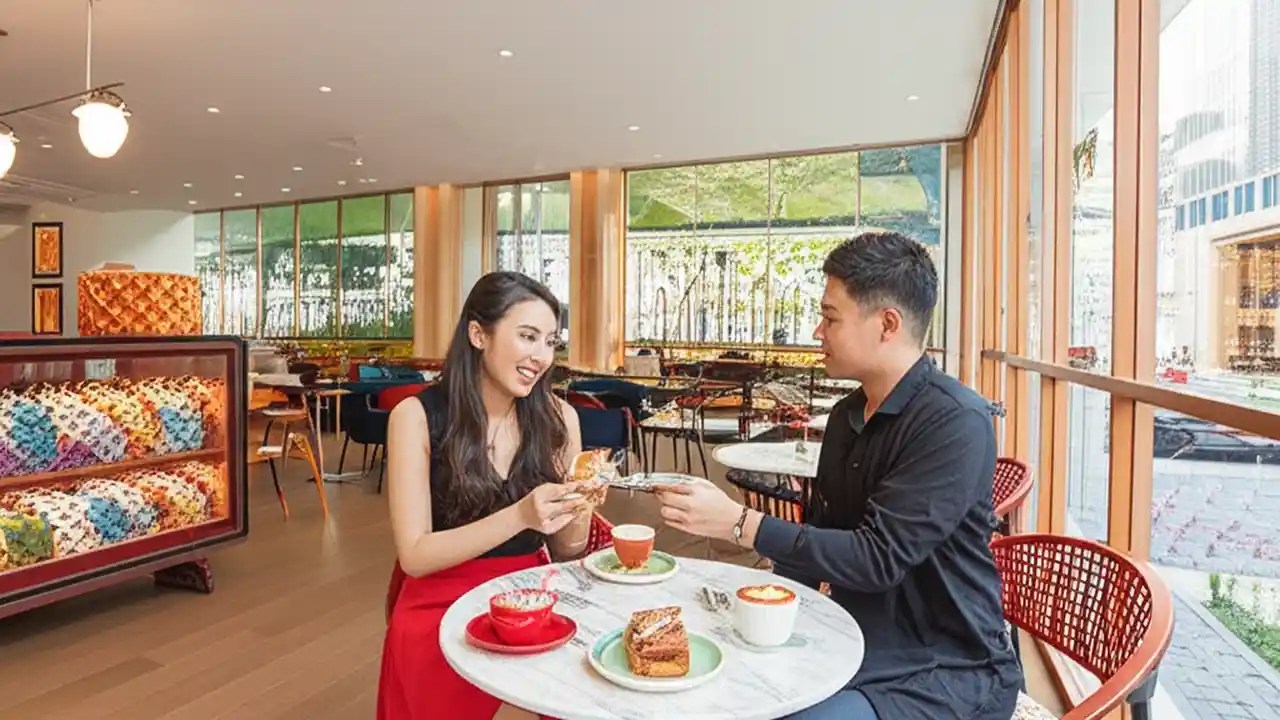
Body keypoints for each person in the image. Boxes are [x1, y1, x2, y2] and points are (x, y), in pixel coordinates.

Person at [654, 231, 1022, 719]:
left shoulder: (954, 422)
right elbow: (820, 537)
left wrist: (740, 524)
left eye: (830, 318)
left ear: (887, 323)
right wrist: (764, 612)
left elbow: (877, 559)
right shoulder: (849, 415)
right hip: (850, 636)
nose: (817, 331)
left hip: (944, 666)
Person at [377, 271, 602, 720]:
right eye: (527, 336)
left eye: (550, 342)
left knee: (585, 689)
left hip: (532, 591)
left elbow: (567, 549)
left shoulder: (560, 419)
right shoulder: (416, 417)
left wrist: (582, 502)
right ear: (478, 334)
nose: (541, 357)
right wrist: (521, 515)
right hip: (440, 594)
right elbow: (415, 556)